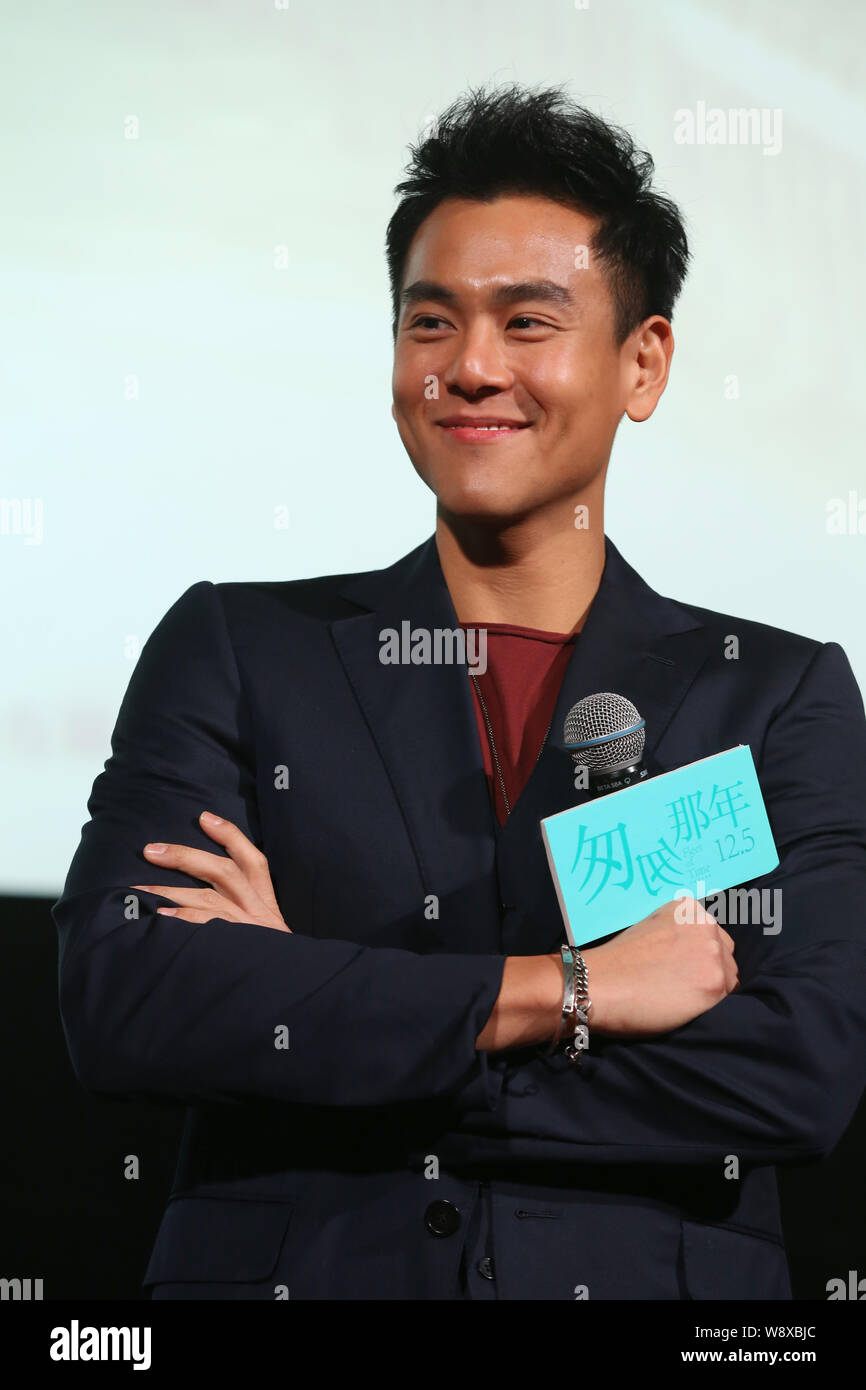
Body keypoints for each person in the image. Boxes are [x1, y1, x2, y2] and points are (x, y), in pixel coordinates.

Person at [53, 83, 866, 1300]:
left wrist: (310, 996)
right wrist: (571, 992)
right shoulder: (238, 645)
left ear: (642, 362)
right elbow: (130, 1001)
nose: (471, 367)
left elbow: (794, 1071)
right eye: (429, 323)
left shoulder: (771, 698)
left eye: (527, 322)